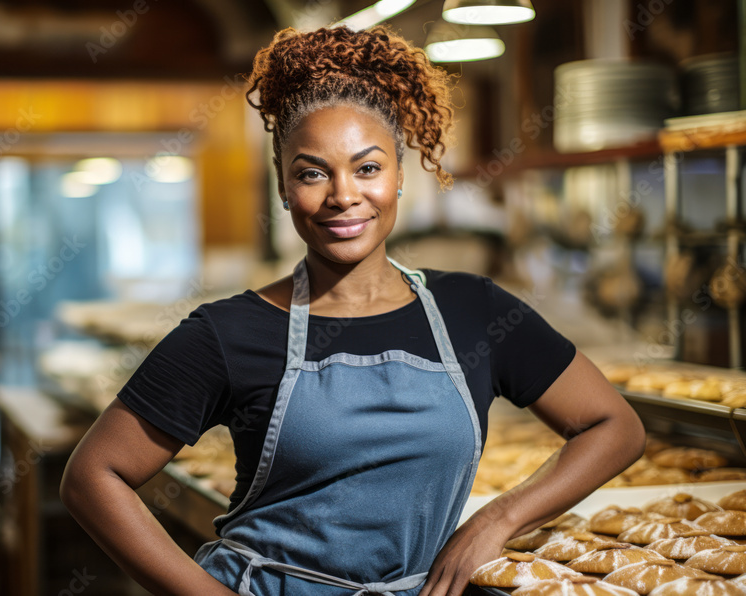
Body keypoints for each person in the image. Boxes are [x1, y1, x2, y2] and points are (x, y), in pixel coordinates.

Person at [60, 24, 645, 596]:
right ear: (284, 187)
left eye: (368, 168)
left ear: (397, 177)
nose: (343, 196)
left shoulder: (474, 310)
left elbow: (613, 427)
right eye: (313, 173)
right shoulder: (228, 333)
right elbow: (93, 477)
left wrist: (498, 518)